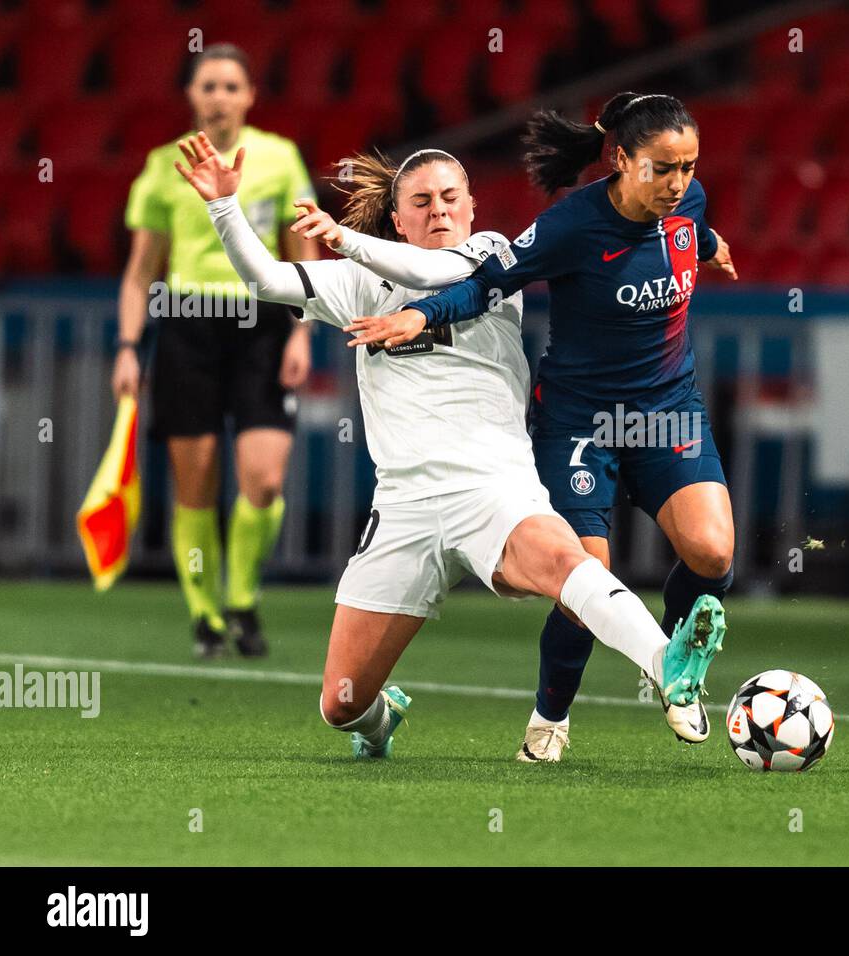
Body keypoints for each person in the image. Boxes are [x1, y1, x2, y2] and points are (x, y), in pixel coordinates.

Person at [172, 131, 724, 759]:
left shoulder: (491, 257)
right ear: (399, 219)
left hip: (495, 485)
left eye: (450, 197)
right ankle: (381, 725)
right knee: (342, 702)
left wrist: (346, 237)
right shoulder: (357, 282)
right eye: (422, 202)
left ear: (471, 208)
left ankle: (669, 665)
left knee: (570, 565)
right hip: (405, 503)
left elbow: (432, 273)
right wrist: (224, 206)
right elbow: (267, 281)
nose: (439, 210)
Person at [345, 92, 738, 761]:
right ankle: (549, 718)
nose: (677, 183)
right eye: (662, 169)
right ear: (621, 160)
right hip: (579, 421)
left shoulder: (687, 205)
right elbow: (486, 283)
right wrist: (421, 316)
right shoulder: (571, 227)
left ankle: (676, 665)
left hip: (668, 411)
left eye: (689, 168)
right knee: (586, 576)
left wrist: (713, 245)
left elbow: (692, 235)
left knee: (713, 554)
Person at [113, 43, 318, 658]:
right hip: (186, 329)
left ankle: (242, 598)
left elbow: (302, 250)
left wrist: (304, 329)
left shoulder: (279, 158)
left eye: (232, 86)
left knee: (264, 479)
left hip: (262, 327)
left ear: (251, 95)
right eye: (209, 86)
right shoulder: (160, 165)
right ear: (191, 95)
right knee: (194, 486)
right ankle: (205, 615)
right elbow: (139, 272)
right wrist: (127, 347)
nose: (220, 96)